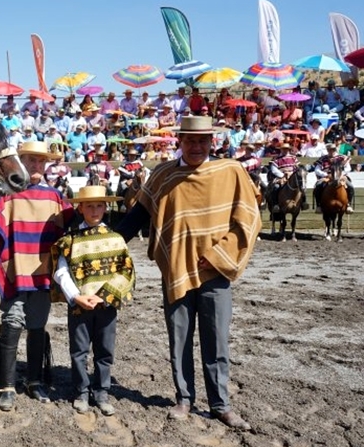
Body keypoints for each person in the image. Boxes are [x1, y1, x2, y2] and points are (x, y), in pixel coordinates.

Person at [116, 115, 260, 430]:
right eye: (190, 140)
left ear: (212, 141)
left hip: (216, 271)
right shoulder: (163, 174)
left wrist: (219, 255)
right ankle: (184, 398)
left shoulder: (230, 171)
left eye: (203, 140)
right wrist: (106, 242)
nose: (196, 146)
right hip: (177, 269)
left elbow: (249, 220)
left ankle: (220, 405)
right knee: (179, 339)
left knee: (217, 340)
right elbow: (138, 216)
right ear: (179, 140)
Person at [0, 141, 73, 411]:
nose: (36, 166)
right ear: (21, 162)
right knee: (13, 320)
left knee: (38, 325)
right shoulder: (8, 195)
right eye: (31, 160)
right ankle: (5, 385)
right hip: (15, 270)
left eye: (41, 162)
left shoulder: (54, 197)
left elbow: (68, 231)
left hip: (43, 272)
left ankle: (35, 381)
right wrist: (0, 253)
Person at [51, 185, 135, 415]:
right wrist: (76, 297)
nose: (95, 210)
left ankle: (102, 392)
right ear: (80, 208)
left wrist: (103, 296)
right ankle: (81, 391)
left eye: (99, 205)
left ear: (106, 207)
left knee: (104, 350)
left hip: (106, 305)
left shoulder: (116, 239)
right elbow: (61, 272)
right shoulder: (69, 241)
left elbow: (126, 271)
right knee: (78, 350)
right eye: (90, 205)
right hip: (79, 305)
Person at [312, 144, 354, 213]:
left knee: (350, 186)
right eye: (329, 150)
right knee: (318, 185)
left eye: (333, 149)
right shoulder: (323, 159)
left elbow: (348, 168)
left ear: (335, 149)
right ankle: (319, 205)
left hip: (341, 177)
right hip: (327, 177)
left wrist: (341, 174)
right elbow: (317, 170)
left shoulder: (342, 157)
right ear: (327, 150)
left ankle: (348, 204)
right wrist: (325, 174)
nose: (331, 151)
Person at [267, 142, 306, 212]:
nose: (285, 150)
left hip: (293, 176)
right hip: (281, 177)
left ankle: (303, 203)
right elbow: (273, 170)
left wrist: (292, 173)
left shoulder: (293, 158)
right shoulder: (276, 158)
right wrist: (283, 175)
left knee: (301, 187)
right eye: (284, 149)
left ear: (289, 150)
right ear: (281, 149)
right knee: (276, 187)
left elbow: (297, 168)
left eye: (287, 149)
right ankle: (276, 204)